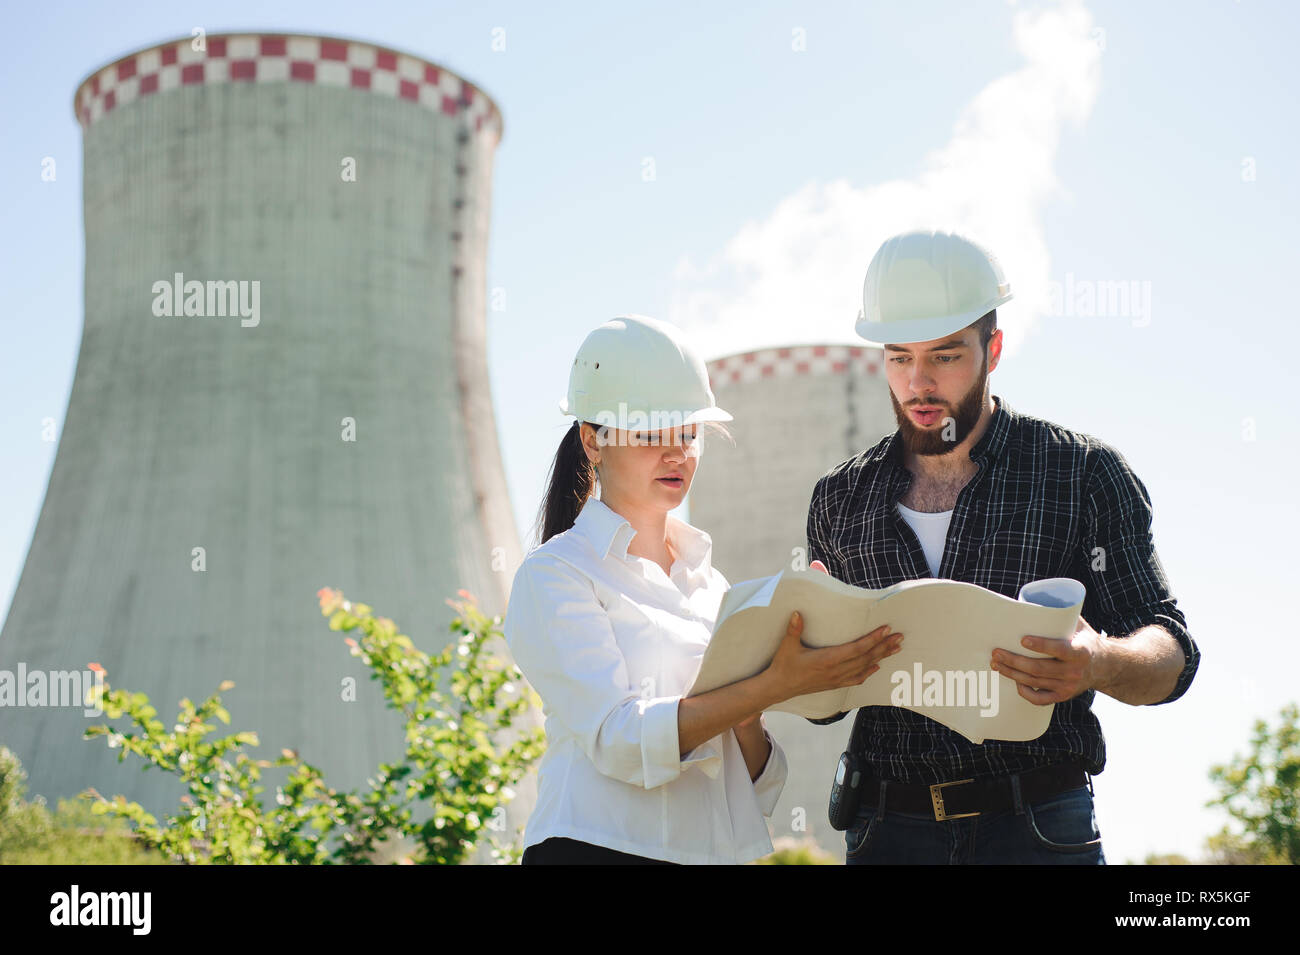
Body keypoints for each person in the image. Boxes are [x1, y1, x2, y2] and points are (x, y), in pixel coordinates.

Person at [805, 230, 1200, 865]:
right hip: (886, 832)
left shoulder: (1082, 473)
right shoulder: (838, 498)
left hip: (1038, 827)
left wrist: (1098, 661)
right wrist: (811, 664)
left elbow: (1173, 655)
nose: (918, 383)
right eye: (899, 358)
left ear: (993, 348)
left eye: (944, 356)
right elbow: (822, 709)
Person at [505, 315, 902, 864]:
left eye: (688, 434)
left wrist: (794, 652)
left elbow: (754, 783)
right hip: (593, 848)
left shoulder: (711, 586)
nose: (677, 454)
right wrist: (768, 685)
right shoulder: (556, 574)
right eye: (651, 435)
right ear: (592, 441)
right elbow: (620, 742)